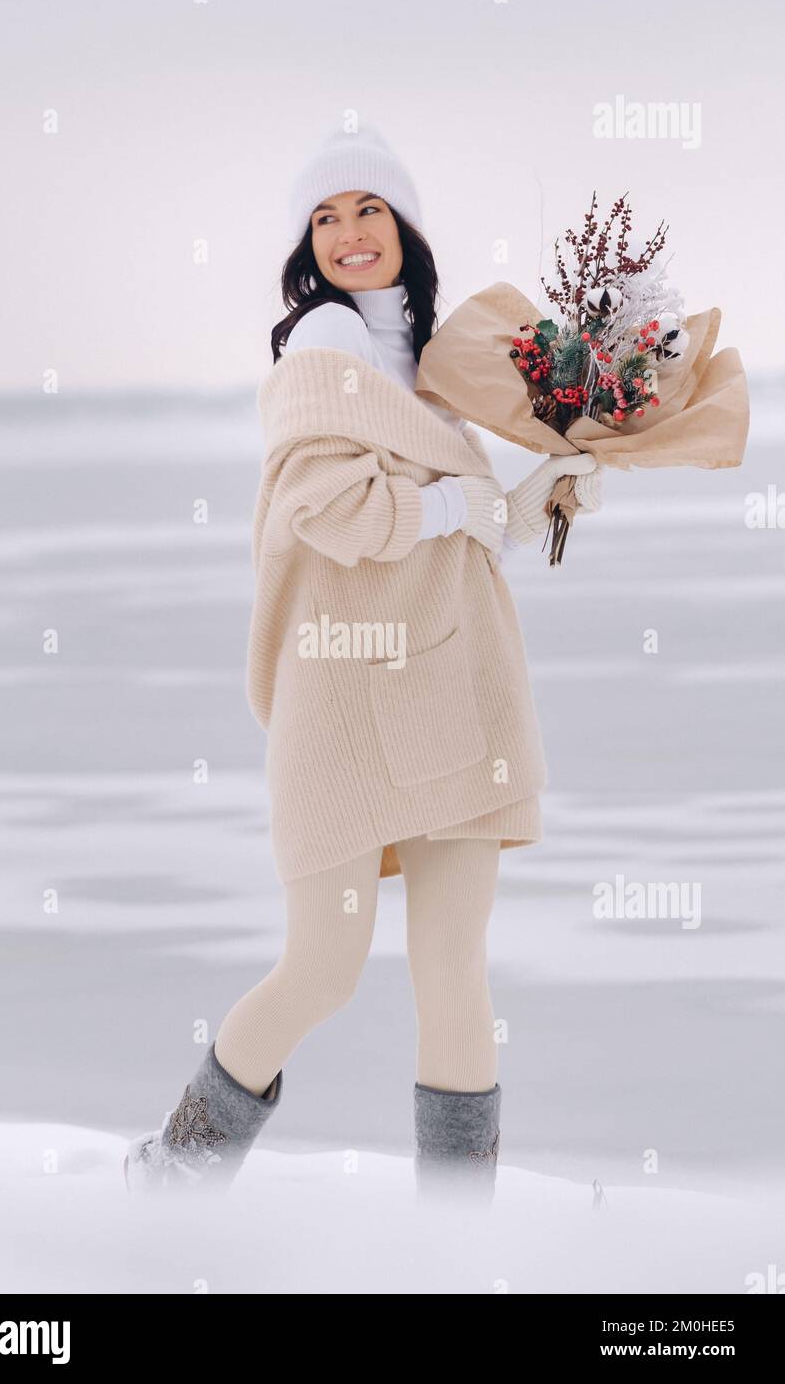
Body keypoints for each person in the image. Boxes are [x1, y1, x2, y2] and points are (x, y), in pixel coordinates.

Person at [125, 124, 602, 1204]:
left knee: (453, 971)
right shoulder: (321, 342)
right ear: (309, 244)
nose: (347, 234)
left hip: (450, 682)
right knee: (322, 969)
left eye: (368, 210)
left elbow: (459, 530)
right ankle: (174, 1177)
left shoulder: (431, 368)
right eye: (325, 217)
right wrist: (458, 502)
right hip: (341, 699)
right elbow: (328, 508)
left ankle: (451, 1238)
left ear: (405, 228)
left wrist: (531, 504)